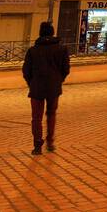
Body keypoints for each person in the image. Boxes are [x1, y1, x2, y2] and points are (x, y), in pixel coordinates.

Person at [22, 21, 70, 155]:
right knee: (51, 114)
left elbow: (26, 71)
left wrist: (31, 83)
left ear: (40, 33)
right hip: (53, 87)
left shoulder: (33, 50)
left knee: (36, 117)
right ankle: (50, 142)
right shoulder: (62, 49)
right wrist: (59, 80)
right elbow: (66, 69)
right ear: (52, 32)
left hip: (37, 87)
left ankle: (37, 145)